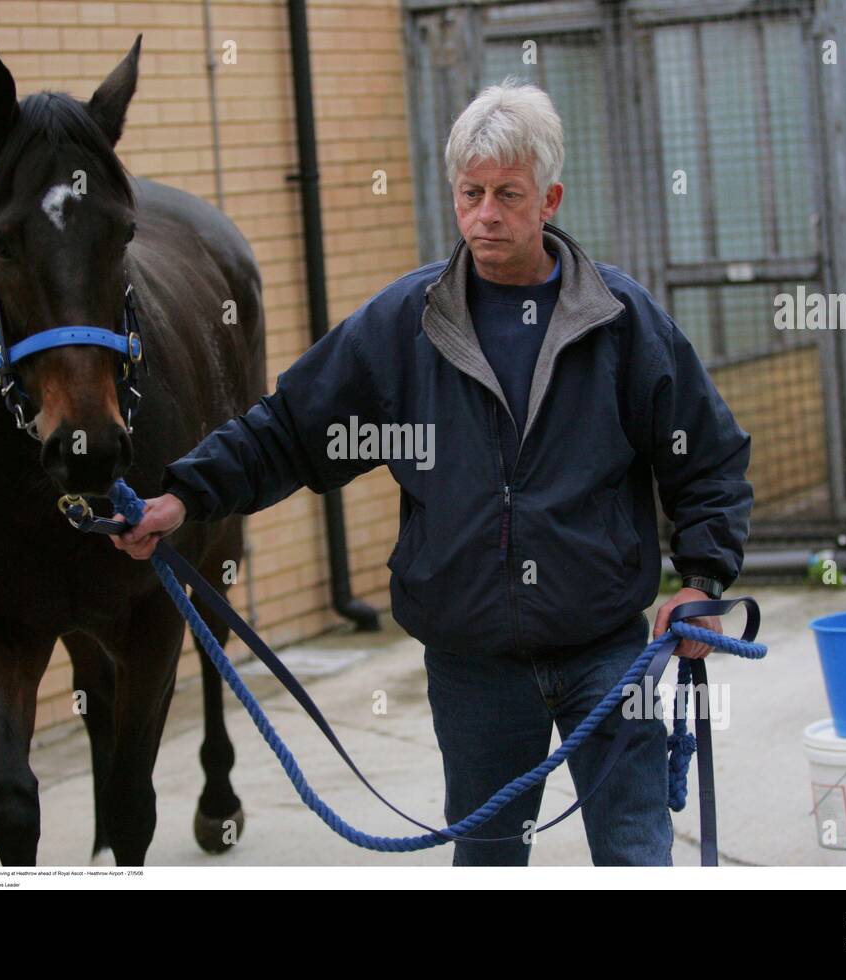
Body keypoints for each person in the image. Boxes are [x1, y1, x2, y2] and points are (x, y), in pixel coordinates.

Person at [112, 78, 753, 865]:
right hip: (473, 666)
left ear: (549, 198)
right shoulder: (403, 325)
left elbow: (709, 452)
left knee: (636, 857)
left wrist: (703, 578)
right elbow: (289, 429)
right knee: (487, 863)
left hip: (605, 652)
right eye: (471, 192)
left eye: (509, 195)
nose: (487, 213)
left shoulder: (621, 321)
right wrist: (184, 495)